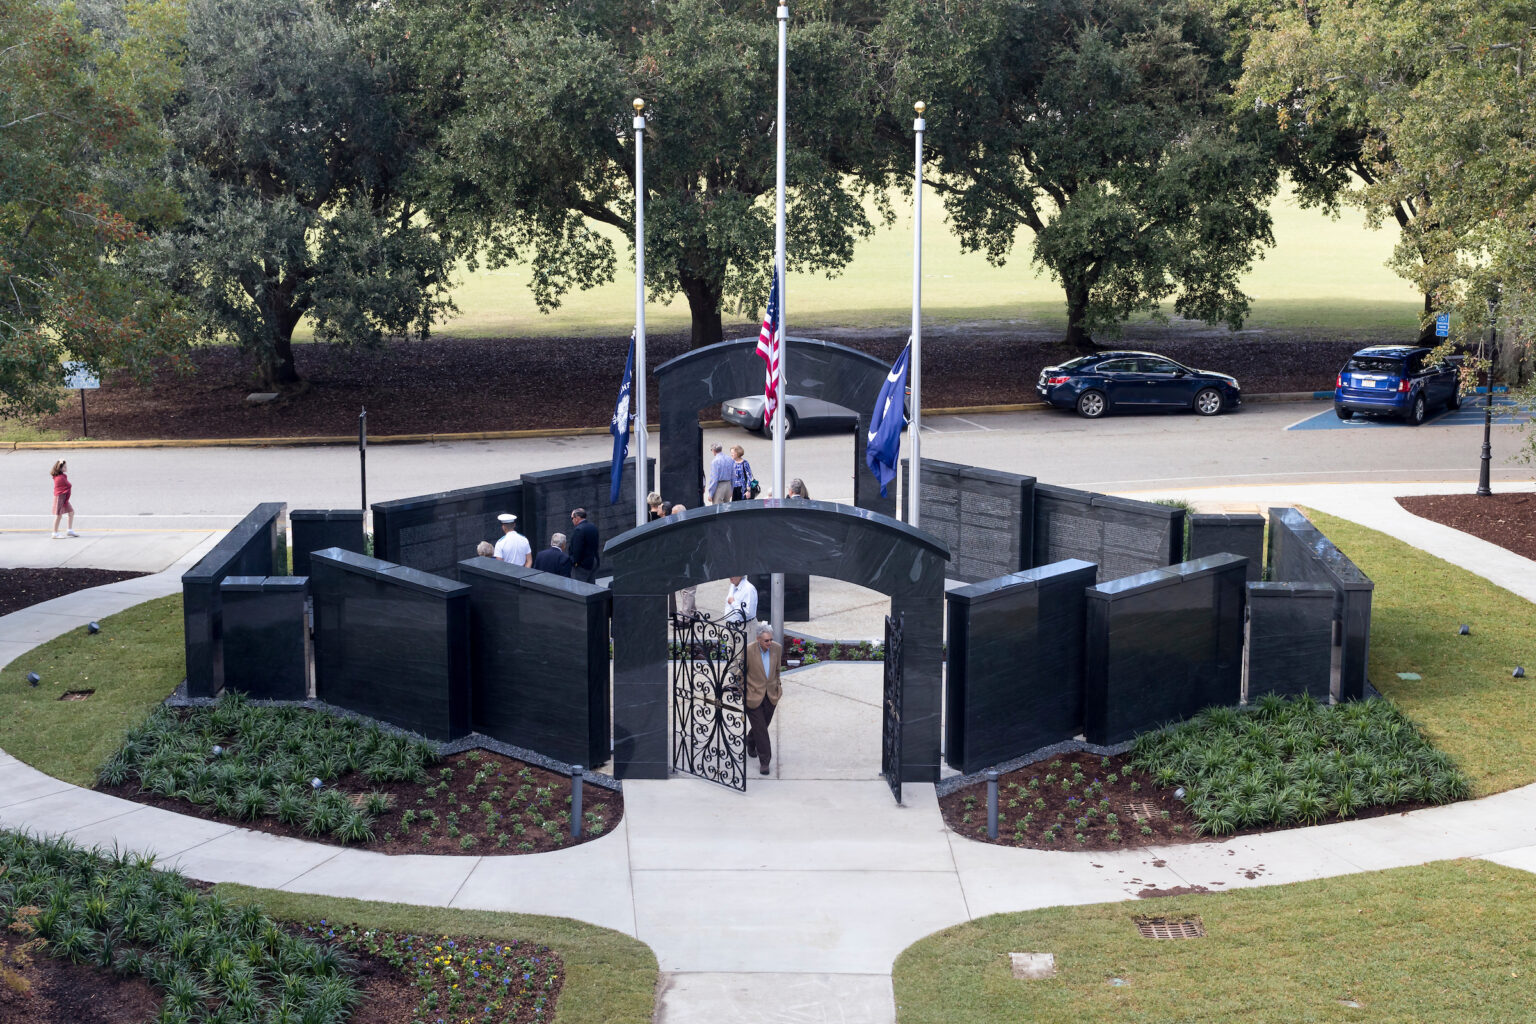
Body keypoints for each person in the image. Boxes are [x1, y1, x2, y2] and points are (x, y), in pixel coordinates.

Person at [742, 624, 783, 776]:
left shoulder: (777, 649)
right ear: (758, 639)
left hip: (771, 695)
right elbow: (741, 673)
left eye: (771, 640)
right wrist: (744, 691)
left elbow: (778, 670)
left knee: (762, 726)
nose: (769, 643)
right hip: (753, 696)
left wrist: (778, 687)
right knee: (761, 730)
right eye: (766, 640)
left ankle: (750, 741)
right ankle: (765, 761)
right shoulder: (748, 650)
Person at [669, 504, 697, 621]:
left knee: (688, 590)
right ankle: (693, 612)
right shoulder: (682, 525)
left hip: (690, 562)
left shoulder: (687, 527)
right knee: (686, 589)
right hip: (685, 562)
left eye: (673, 514)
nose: (671, 516)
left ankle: (685, 618)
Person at [568, 507, 600, 583]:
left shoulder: (579, 529)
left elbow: (577, 549)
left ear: (577, 518)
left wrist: (575, 563)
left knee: (579, 588)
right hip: (593, 561)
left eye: (572, 518)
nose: (572, 520)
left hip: (583, 565)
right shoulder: (593, 527)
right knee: (591, 586)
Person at [50, 460, 76, 539]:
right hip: (59, 498)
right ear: (60, 468)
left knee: (71, 512)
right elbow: (68, 485)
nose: (66, 468)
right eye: (64, 467)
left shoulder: (63, 476)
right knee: (59, 515)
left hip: (64, 498)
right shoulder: (59, 478)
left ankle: (69, 530)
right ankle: (54, 533)